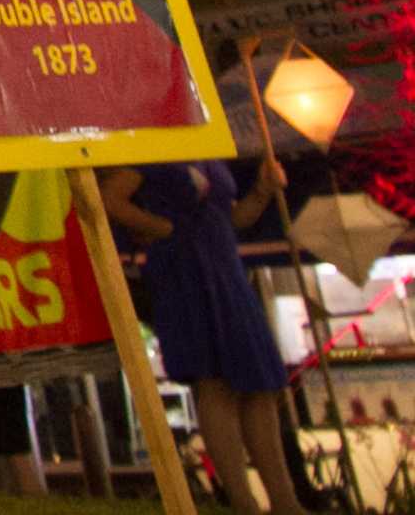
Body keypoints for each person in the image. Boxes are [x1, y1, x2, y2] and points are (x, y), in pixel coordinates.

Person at [102, 157, 298, 515]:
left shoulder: (208, 155)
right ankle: (242, 500)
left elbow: (232, 218)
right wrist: (160, 227)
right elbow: (111, 198)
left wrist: (261, 192)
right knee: (214, 380)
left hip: (226, 266)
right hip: (185, 270)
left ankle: (284, 499)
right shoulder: (153, 152)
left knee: (259, 385)